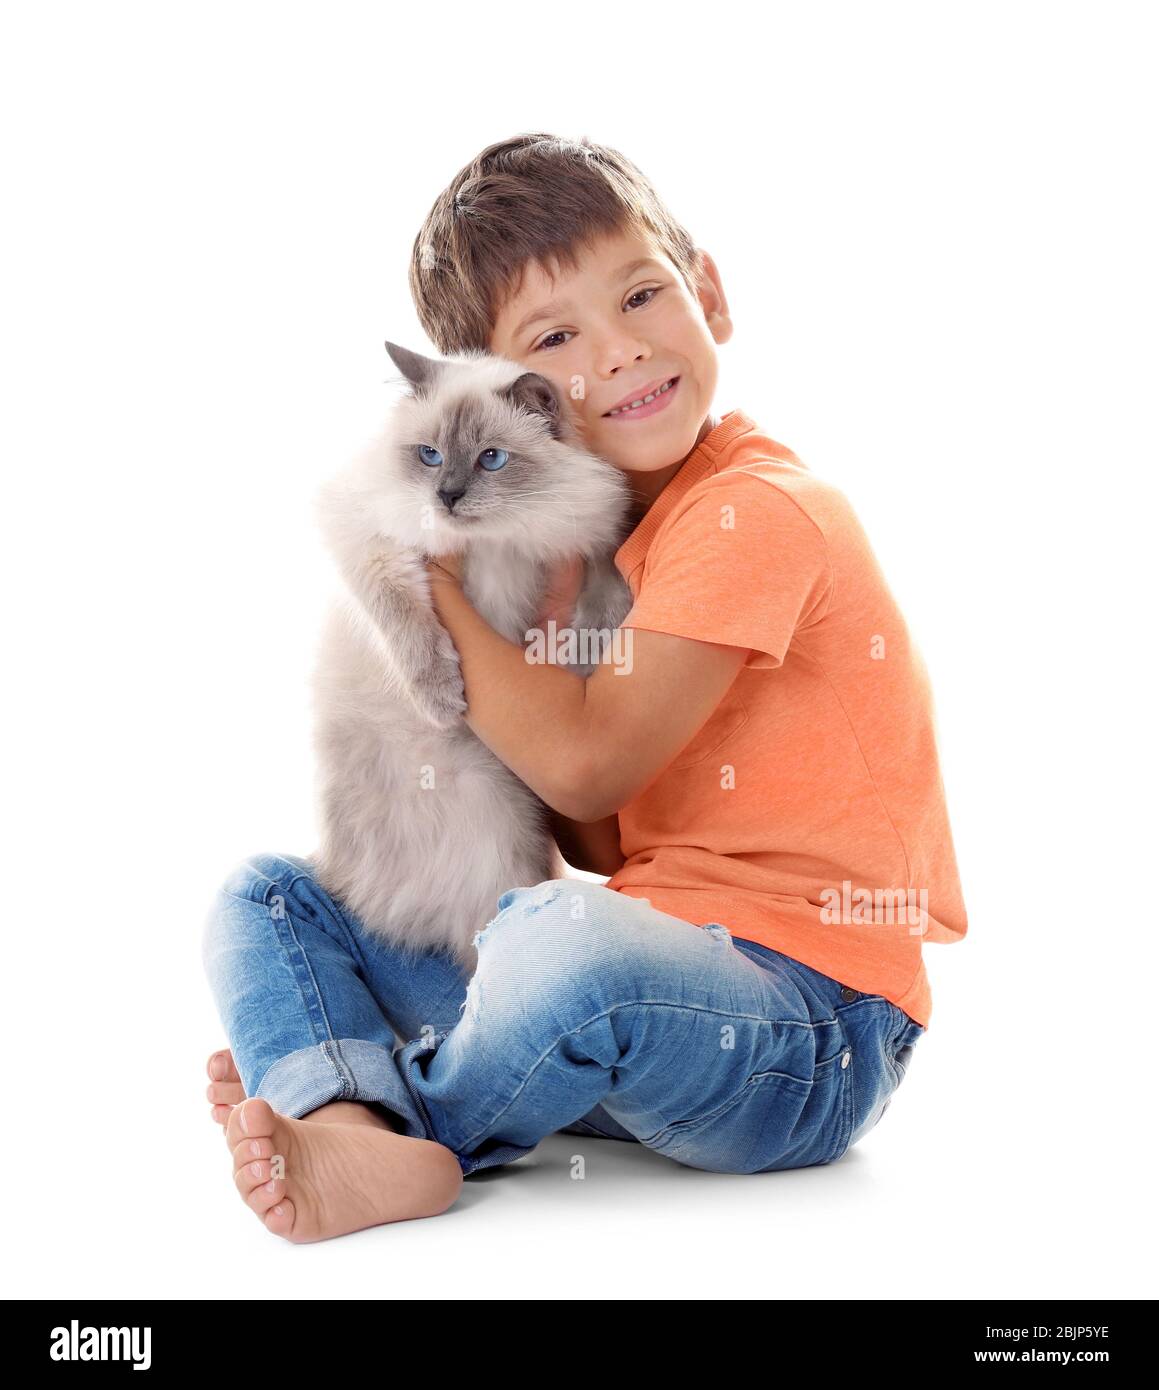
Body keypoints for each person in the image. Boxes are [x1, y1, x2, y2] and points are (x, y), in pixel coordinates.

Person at [202, 132, 967, 1243]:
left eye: (644, 295)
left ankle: (376, 1105)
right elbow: (605, 842)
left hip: (807, 1031)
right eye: (554, 336)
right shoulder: (610, 545)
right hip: (637, 1024)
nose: (616, 352)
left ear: (707, 287)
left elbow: (583, 764)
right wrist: (545, 645)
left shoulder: (756, 510)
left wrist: (441, 590)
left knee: (560, 939)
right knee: (268, 896)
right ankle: (350, 1118)